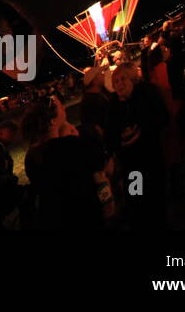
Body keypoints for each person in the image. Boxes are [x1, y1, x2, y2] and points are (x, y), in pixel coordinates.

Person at [21, 96, 110, 229]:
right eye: (59, 106)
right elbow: (102, 167)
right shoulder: (69, 146)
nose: (63, 108)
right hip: (82, 216)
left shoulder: (31, 156)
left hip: (54, 219)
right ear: (52, 121)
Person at [108, 63, 169, 229]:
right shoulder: (113, 105)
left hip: (150, 159)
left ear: (133, 79)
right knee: (137, 198)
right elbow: (110, 134)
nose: (119, 84)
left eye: (123, 79)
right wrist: (121, 139)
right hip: (132, 165)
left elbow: (162, 118)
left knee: (154, 198)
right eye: (116, 81)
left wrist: (140, 131)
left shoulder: (148, 94)